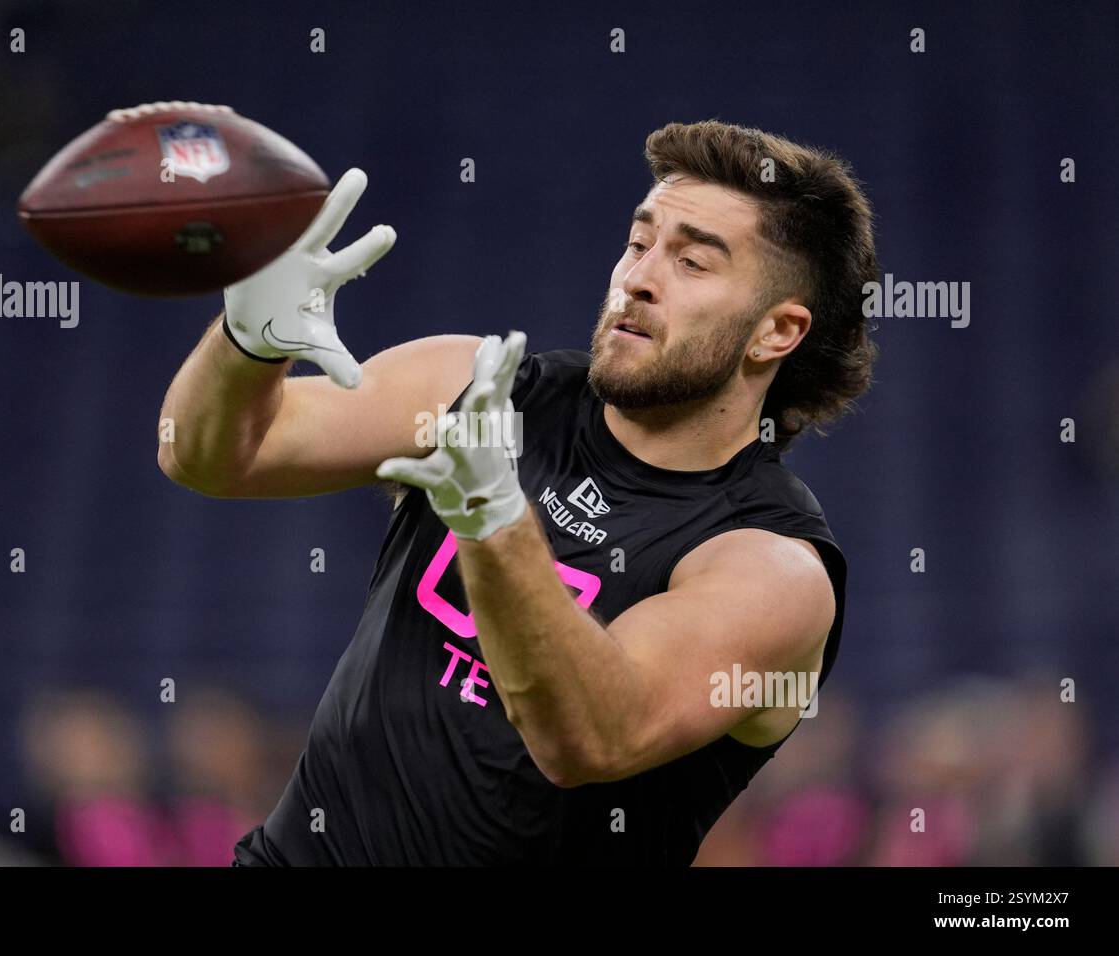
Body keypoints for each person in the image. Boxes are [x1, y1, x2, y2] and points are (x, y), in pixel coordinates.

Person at [157, 119, 879, 865]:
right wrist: (246, 345)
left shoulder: (773, 570)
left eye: (692, 262)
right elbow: (207, 458)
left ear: (777, 331)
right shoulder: (474, 387)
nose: (637, 277)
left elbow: (590, 737)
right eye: (639, 243)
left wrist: (496, 522)